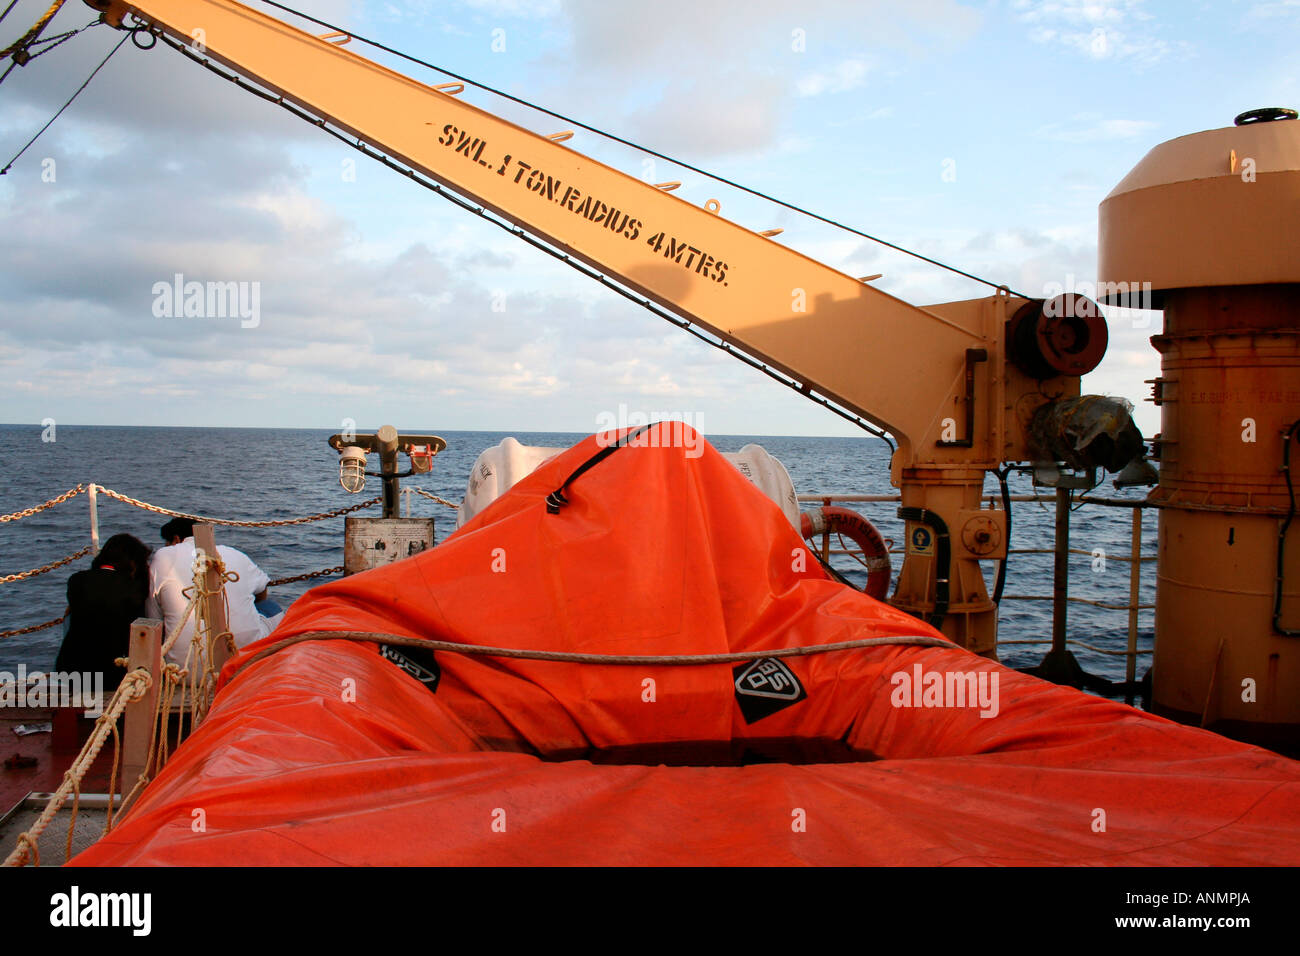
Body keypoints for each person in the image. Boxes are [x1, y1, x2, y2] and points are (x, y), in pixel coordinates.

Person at [146, 517, 285, 666]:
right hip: (244, 664)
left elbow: (153, 618)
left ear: (176, 539)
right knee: (270, 606)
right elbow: (262, 593)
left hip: (182, 669)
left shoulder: (163, 556)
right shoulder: (235, 554)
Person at [56, 533, 152, 682]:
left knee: (71, 614)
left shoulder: (77, 580)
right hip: (115, 674)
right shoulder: (133, 589)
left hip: (72, 671)